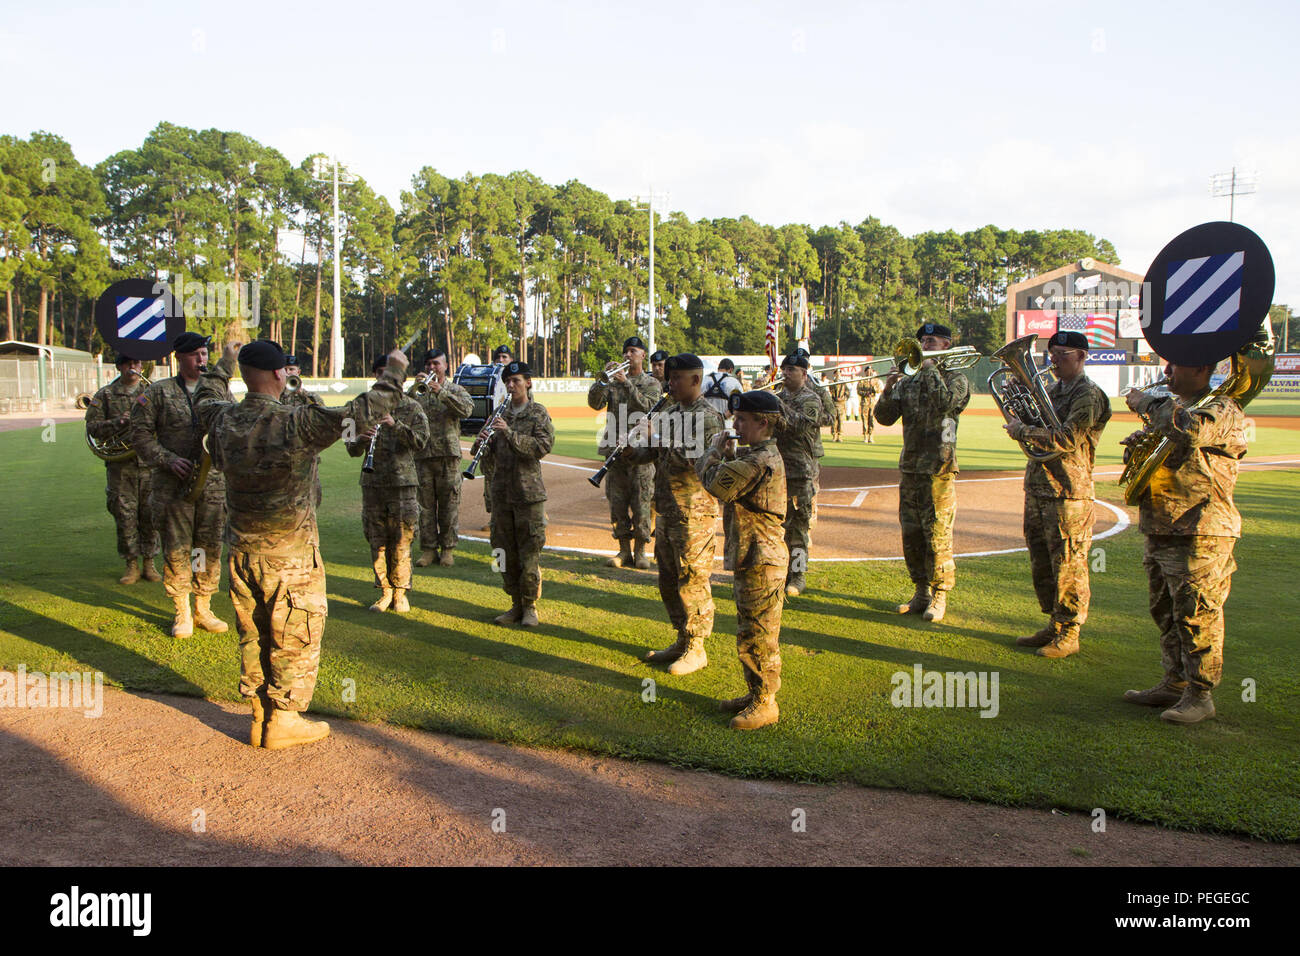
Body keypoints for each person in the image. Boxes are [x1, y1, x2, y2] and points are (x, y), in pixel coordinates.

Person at [195, 339, 409, 749]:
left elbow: (205, 395)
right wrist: (394, 371)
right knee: (295, 632)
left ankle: (261, 715)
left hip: (241, 551)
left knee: (254, 632)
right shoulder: (294, 422)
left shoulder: (222, 420)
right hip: (289, 555)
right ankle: (285, 719)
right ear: (280, 374)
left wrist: (223, 362)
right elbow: (361, 411)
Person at [1120, 359, 1247, 724]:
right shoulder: (1177, 405)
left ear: (1203, 369)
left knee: (1197, 614)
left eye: (1175, 366)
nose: (1166, 373)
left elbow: (1187, 430)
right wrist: (1137, 446)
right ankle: (1174, 682)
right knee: (1165, 612)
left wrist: (1145, 403)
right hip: (1162, 525)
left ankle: (1200, 694)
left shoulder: (1221, 407)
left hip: (1201, 529)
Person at [1002, 331, 1112, 658]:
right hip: (1038, 486)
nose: (1054, 359)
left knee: (1068, 563)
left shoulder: (1088, 395)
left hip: (1068, 491)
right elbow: (1029, 424)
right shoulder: (1051, 389)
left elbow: (1066, 438)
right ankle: (1054, 623)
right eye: (1051, 353)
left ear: (1081, 356)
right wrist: (1016, 401)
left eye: (1062, 354)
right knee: (1042, 561)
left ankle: (1070, 631)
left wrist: (1024, 430)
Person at [696, 390, 787, 729]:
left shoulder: (758, 461)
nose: (736, 424)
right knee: (750, 630)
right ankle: (755, 694)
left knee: (760, 634)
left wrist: (713, 453)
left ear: (762, 422)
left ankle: (766, 703)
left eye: (742, 419)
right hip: (754, 555)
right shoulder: (756, 455)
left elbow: (715, 484)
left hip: (762, 558)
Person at [629, 354, 725, 673]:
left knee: (692, 579)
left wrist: (655, 435)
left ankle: (697, 648)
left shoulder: (708, 417)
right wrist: (631, 446)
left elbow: (692, 458)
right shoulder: (670, 412)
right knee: (668, 579)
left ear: (695, 380)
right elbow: (652, 453)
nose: (669, 384)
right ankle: (682, 638)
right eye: (669, 378)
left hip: (693, 513)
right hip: (668, 510)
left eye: (676, 379)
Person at [130, 331, 229, 638]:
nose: (202, 360)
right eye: (195, 355)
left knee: (208, 547)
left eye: (204, 354)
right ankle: (182, 612)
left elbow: (233, 423)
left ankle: (203, 607)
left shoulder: (217, 390)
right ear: (179, 358)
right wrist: (168, 459)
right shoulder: (157, 393)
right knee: (176, 548)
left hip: (212, 484)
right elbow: (140, 436)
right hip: (172, 486)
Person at [873, 323, 971, 623]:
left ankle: (940, 593)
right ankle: (920, 590)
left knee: (937, 534)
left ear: (945, 345)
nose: (923, 344)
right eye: (921, 341)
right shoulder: (908, 380)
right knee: (912, 533)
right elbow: (884, 418)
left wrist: (928, 368)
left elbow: (945, 403)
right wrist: (888, 389)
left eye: (930, 341)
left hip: (938, 468)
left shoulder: (957, 379)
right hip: (911, 468)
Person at [472, 360, 554, 627]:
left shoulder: (537, 413)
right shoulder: (500, 412)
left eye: (516, 380)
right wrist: (480, 445)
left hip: (528, 494)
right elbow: (486, 453)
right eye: (507, 381)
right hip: (502, 494)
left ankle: (530, 606)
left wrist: (509, 433)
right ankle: (514, 603)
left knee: (529, 552)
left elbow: (542, 447)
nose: (511, 385)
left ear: (528, 383)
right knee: (502, 552)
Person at [345, 355, 429, 613]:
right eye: (381, 374)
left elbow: (421, 442)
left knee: (402, 539)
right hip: (372, 484)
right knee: (376, 540)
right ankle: (384, 591)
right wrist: (360, 437)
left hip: (402, 484)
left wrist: (396, 425)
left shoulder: (412, 407)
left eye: (389, 374)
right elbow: (350, 447)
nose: (385, 378)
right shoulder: (359, 407)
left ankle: (401, 592)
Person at [86, 352, 161, 584]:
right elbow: (92, 428)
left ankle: (149, 562)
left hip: (149, 465)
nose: (134, 366)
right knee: (125, 515)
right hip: (121, 467)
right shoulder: (105, 395)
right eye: (129, 363)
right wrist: (118, 422)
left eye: (137, 362)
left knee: (150, 514)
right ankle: (131, 564)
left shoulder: (151, 392)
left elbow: (167, 421)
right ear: (119, 366)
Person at [587, 335, 662, 568]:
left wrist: (627, 383)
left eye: (632, 351)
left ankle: (640, 552)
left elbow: (650, 408)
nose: (628, 356)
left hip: (641, 452)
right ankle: (623, 551)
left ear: (642, 355)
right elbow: (594, 403)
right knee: (617, 503)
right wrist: (602, 381)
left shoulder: (651, 384)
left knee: (641, 502)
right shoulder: (613, 381)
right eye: (625, 352)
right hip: (615, 450)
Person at [412, 348, 474, 568]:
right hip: (423, 455)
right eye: (428, 364)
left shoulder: (455, 389)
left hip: (448, 455)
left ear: (446, 366)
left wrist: (441, 392)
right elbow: (402, 410)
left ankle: (448, 549)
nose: (432, 368)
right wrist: (413, 389)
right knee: (425, 506)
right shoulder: (417, 391)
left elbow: (467, 410)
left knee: (449, 504)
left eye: (436, 364)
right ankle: (428, 549)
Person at [773, 352, 825, 598]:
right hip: (778, 469)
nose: (786, 373)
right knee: (778, 525)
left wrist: (776, 405)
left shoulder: (811, 399)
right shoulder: (777, 397)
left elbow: (799, 425)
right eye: (784, 369)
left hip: (801, 472)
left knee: (799, 528)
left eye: (791, 370)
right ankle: (780, 572)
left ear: (804, 374)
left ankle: (797, 574)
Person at [280, 353, 324, 507]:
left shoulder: (308, 397)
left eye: (291, 369)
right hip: (283, 458)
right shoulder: (276, 396)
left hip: (306, 457)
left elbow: (321, 410)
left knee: (310, 501)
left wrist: (301, 392)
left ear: (298, 371)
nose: (288, 372)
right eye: (285, 369)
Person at [479, 344, 515, 531]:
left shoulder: (516, 384)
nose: (500, 361)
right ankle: (494, 516)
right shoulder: (490, 381)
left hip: (508, 437)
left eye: (505, 357)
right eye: (498, 357)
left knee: (512, 478)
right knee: (489, 477)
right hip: (491, 435)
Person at [857, 367, 882, 443]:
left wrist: (873, 386)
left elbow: (879, 390)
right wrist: (865, 393)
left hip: (872, 402)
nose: (869, 373)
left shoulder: (875, 381)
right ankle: (865, 435)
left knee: (872, 419)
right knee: (864, 419)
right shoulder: (862, 381)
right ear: (865, 372)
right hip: (865, 402)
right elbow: (859, 391)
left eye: (870, 371)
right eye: (868, 371)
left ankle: (871, 436)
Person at [828, 369, 850, 442]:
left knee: (841, 420)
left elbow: (847, 392)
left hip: (841, 404)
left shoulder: (843, 383)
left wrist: (844, 398)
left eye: (839, 373)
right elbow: (831, 390)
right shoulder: (832, 382)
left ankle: (839, 435)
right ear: (834, 374)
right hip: (834, 403)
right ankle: (834, 435)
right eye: (837, 373)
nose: (838, 375)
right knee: (834, 420)